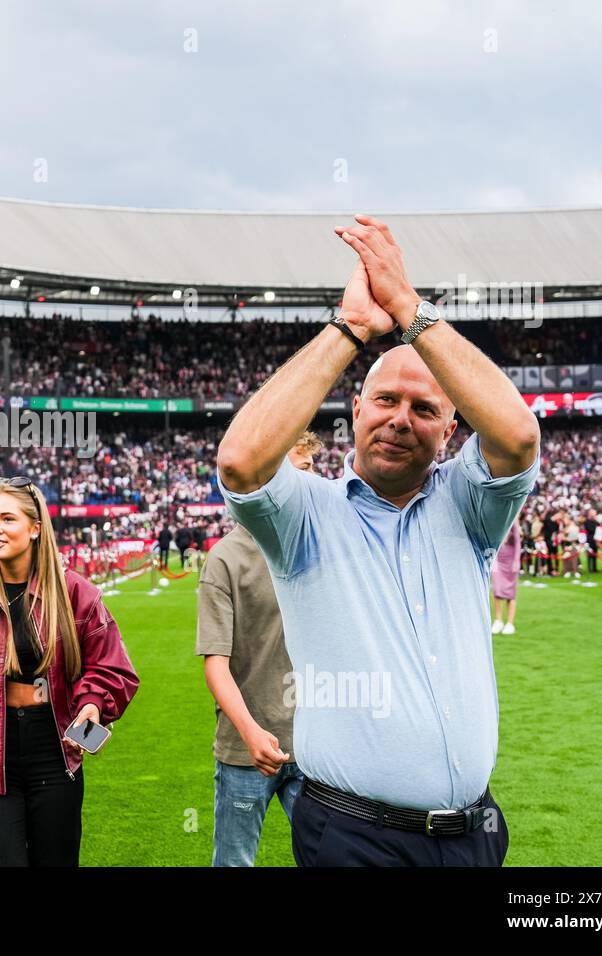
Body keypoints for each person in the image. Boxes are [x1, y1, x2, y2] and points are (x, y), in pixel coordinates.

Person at [216, 215, 540, 866]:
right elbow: (241, 461)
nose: (400, 420)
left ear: (449, 432)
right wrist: (353, 329)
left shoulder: (468, 505)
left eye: (425, 410)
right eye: (385, 400)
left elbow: (518, 436)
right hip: (353, 837)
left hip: (473, 834)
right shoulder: (305, 515)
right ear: (355, 410)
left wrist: (410, 311)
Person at [0, 476, 140, 866]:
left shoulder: (75, 594)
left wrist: (92, 705)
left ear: (35, 528)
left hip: (55, 753)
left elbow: (111, 667)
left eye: (7, 519)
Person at [198, 436, 321, 867]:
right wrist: (251, 733)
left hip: (316, 747)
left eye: (311, 468)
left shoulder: (324, 546)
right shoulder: (225, 559)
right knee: (234, 863)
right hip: (244, 749)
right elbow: (216, 665)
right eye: (299, 469)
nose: (310, 479)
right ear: (267, 474)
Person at [491, 510, 522, 635]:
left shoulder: (513, 519)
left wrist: (516, 561)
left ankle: (510, 623)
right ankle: (498, 620)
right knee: (497, 591)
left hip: (510, 559)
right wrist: (494, 561)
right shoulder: (494, 520)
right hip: (498, 559)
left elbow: (517, 542)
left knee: (510, 593)